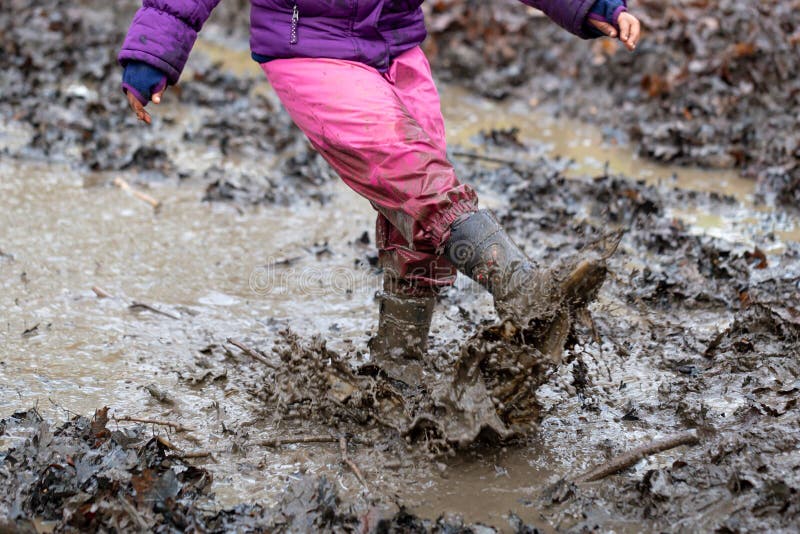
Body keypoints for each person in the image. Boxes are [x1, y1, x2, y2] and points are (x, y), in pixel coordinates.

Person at [119, 0, 641, 384]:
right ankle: (523, 288)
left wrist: (588, 5)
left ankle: (398, 370)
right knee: (411, 171)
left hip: (396, 48)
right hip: (309, 49)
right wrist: (154, 54)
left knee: (419, 200)